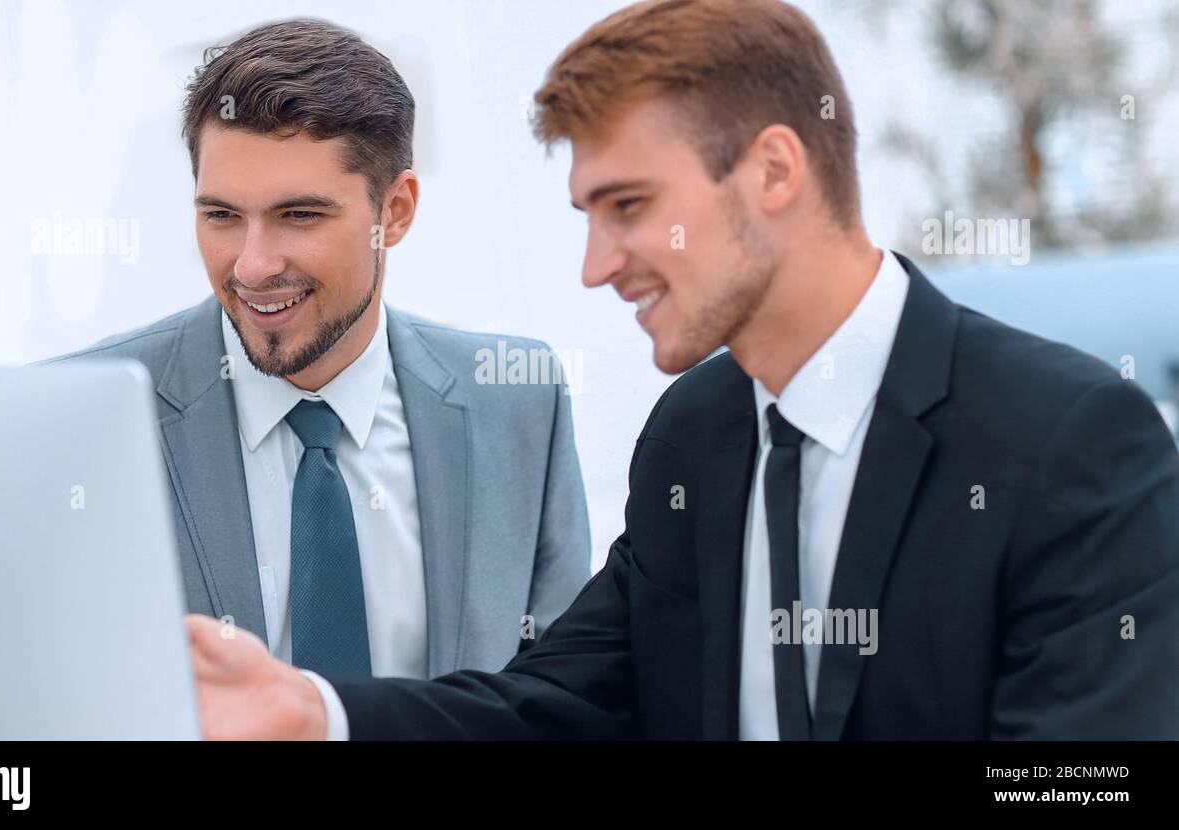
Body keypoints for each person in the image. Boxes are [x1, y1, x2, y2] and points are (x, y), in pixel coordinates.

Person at [187, 0, 1179, 740]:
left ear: (774, 173)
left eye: (628, 206)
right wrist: (312, 708)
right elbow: (556, 700)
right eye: (589, 216)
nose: (596, 265)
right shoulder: (696, 435)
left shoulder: (1074, 439)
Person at [47, 18, 590, 685]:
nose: (251, 266)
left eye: (299, 215)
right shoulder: (77, 418)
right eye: (220, 215)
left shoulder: (519, 400)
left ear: (395, 212)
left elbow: (564, 697)